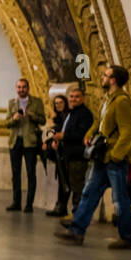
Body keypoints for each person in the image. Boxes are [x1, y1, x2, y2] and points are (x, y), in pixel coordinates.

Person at [56, 65, 131, 248]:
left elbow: (128, 132)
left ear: (113, 80)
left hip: (114, 160)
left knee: (120, 199)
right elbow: (99, 123)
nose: (103, 77)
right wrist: (89, 135)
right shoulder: (108, 100)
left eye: (106, 75)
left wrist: (116, 155)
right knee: (88, 194)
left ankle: (128, 237)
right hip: (101, 158)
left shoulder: (122, 101)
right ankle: (76, 232)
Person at [52, 87, 94, 218]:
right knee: (71, 184)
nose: (73, 99)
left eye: (76, 97)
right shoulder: (72, 112)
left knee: (77, 187)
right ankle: (75, 214)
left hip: (77, 156)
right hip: (68, 155)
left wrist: (63, 136)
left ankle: (78, 215)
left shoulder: (84, 114)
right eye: (71, 97)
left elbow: (81, 134)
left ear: (83, 98)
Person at [5, 77, 46, 212]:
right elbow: (7, 123)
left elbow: (43, 120)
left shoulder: (36, 102)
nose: (21, 90)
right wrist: (14, 118)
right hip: (15, 141)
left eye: (23, 87)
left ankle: (29, 204)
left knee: (30, 172)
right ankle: (16, 202)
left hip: (30, 142)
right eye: (19, 87)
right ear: (16, 89)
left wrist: (31, 115)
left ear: (28, 89)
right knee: (15, 173)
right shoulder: (12, 103)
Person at [43, 93, 71, 216]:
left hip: (67, 152)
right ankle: (60, 206)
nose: (58, 105)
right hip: (60, 152)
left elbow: (64, 132)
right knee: (61, 181)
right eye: (56, 103)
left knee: (65, 181)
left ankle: (62, 206)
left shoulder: (68, 116)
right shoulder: (59, 117)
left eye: (60, 103)